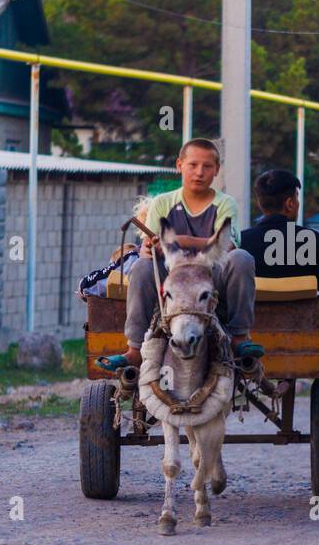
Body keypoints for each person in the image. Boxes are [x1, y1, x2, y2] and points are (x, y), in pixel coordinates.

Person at [100, 137, 261, 371]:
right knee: (142, 267)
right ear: (179, 165)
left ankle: (239, 337)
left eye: (207, 166)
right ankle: (134, 348)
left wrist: (183, 241)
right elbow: (151, 245)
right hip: (172, 278)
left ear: (216, 170)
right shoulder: (163, 203)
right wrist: (147, 248)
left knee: (242, 258)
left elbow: (229, 245)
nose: (199, 172)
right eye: (193, 165)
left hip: (209, 276)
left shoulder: (225, 203)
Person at [240, 169, 319, 310]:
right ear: (289, 203)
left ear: (260, 204)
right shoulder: (309, 241)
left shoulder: (241, 241)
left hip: (251, 329)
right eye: (297, 198)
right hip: (304, 329)